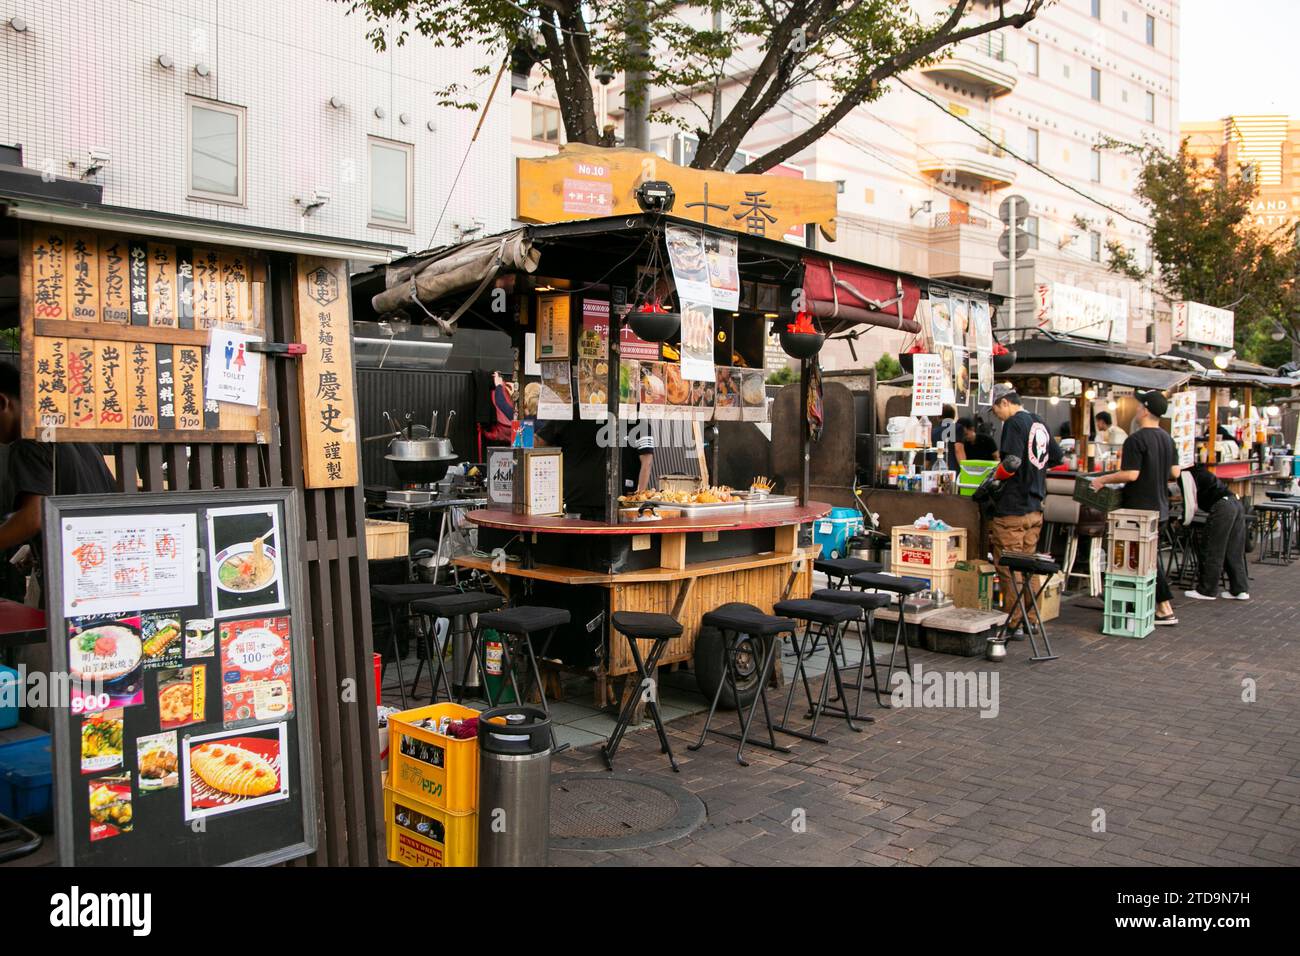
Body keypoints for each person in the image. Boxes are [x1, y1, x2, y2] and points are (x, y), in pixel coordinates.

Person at [0, 360, 117, 595]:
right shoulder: (72, 436)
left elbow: (33, 517)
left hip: (70, 582)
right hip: (102, 568)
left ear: (2, 402)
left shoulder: (27, 443)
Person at [1091, 390, 1180, 625]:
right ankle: (1145, 605)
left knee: (1141, 558)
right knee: (1146, 557)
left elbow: (1131, 474)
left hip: (1139, 508)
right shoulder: (1167, 438)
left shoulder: (1136, 439)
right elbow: (1175, 472)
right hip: (1160, 506)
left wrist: (1102, 480)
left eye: (1140, 405)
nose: (1138, 408)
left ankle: (1164, 608)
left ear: (1146, 410)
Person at [988, 384, 1060, 637]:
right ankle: (1031, 619)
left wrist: (995, 478)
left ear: (1004, 403)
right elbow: (1057, 456)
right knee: (1029, 566)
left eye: (995, 408)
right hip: (1034, 509)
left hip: (1012, 509)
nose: (996, 414)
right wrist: (1035, 472)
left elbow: (1012, 462)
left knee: (1009, 567)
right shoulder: (1039, 421)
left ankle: (1013, 621)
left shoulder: (1014, 424)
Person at [535, 416, 653, 518]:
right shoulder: (571, 412)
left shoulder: (571, 412)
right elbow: (647, 462)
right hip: (610, 501)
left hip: (579, 500)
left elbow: (538, 442)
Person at [1184, 459, 1249, 601]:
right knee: (1233, 549)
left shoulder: (1186, 475)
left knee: (1212, 547)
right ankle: (1239, 589)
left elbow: (1189, 502)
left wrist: (1182, 520)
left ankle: (1207, 590)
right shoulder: (1201, 471)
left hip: (1222, 507)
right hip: (1235, 502)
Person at [930, 404, 959, 470]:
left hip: (935, 470)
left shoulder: (932, 432)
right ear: (953, 417)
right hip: (954, 471)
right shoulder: (957, 429)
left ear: (938, 417)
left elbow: (927, 458)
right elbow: (958, 450)